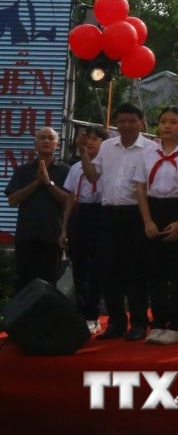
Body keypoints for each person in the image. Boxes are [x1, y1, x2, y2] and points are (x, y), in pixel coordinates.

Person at [83, 103, 154, 340]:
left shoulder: (151, 149)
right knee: (108, 271)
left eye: (131, 120)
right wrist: (84, 153)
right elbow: (93, 175)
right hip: (108, 215)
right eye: (121, 120)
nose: (126, 125)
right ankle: (116, 323)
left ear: (141, 122)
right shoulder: (107, 146)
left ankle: (139, 323)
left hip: (136, 215)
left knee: (136, 272)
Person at [134, 107, 178, 345]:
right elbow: (140, 188)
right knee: (155, 271)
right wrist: (147, 220)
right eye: (163, 121)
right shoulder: (147, 153)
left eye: (173, 122)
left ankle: (175, 324)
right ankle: (158, 322)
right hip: (153, 209)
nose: (167, 126)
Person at [5, 127, 70, 291]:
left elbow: (69, 202)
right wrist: (36, 183)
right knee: (24, 284)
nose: (46, 141)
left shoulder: (65, 171)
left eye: (50, 138)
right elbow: (12, 201)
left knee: (49, 285)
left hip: (52, 237)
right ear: (35, 143)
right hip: (26, 235)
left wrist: (48, 183)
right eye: (42, 138)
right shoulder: (23, 170)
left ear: (57, 144)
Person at [62, 127, 106, 332]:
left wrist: (84, 155)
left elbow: (92, 177)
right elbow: (70, 198)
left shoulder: (107, 164)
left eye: (95, 139)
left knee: (96, 267)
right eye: (87, 138)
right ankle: (80, 312)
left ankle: (93, 314)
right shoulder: (75, 167)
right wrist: (64, 228)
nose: (89, 142)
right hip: (79, 214)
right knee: (78, 267)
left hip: (99, 214)